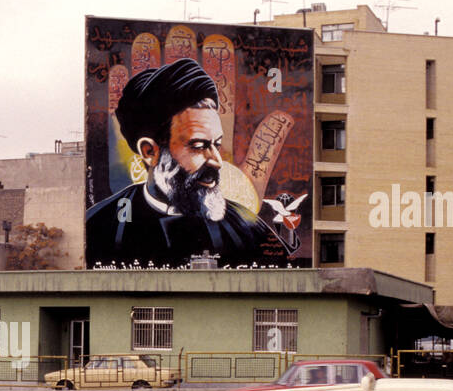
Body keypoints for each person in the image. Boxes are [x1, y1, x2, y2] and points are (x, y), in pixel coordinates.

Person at [86, 57, 299, 268]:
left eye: (217, 143)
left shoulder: (248, 230)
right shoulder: (98, 226)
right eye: (198, 146)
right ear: (150, 151)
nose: (216, 161)